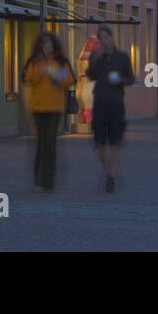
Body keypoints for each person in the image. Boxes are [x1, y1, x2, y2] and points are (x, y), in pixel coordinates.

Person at [23, 32, 75, 192]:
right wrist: (40, 71)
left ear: (54, 46)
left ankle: (48, 179)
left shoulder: (60, 61)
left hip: (54, 107)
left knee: (50, 143)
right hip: (38, 107)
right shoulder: (34, 61)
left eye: (49, 44)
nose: (47, 47)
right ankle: (38, 175)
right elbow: (27, 78)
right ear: (40, 47)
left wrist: (56, 74)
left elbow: (70, 80)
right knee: (41, 142)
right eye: (44, 45)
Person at [85, 25, 134, 193]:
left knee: (115, 142)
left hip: (116, 103)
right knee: (99, 143)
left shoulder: (122, 57)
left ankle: (111, 176)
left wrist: (120, 79)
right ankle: (109, 172)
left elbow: (130, 78)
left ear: (112, 38)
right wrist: (95, 59)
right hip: (99, 102)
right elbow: (90, 75)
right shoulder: (96, 56)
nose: (104, 42)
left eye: (106, 38)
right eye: (101, 39)